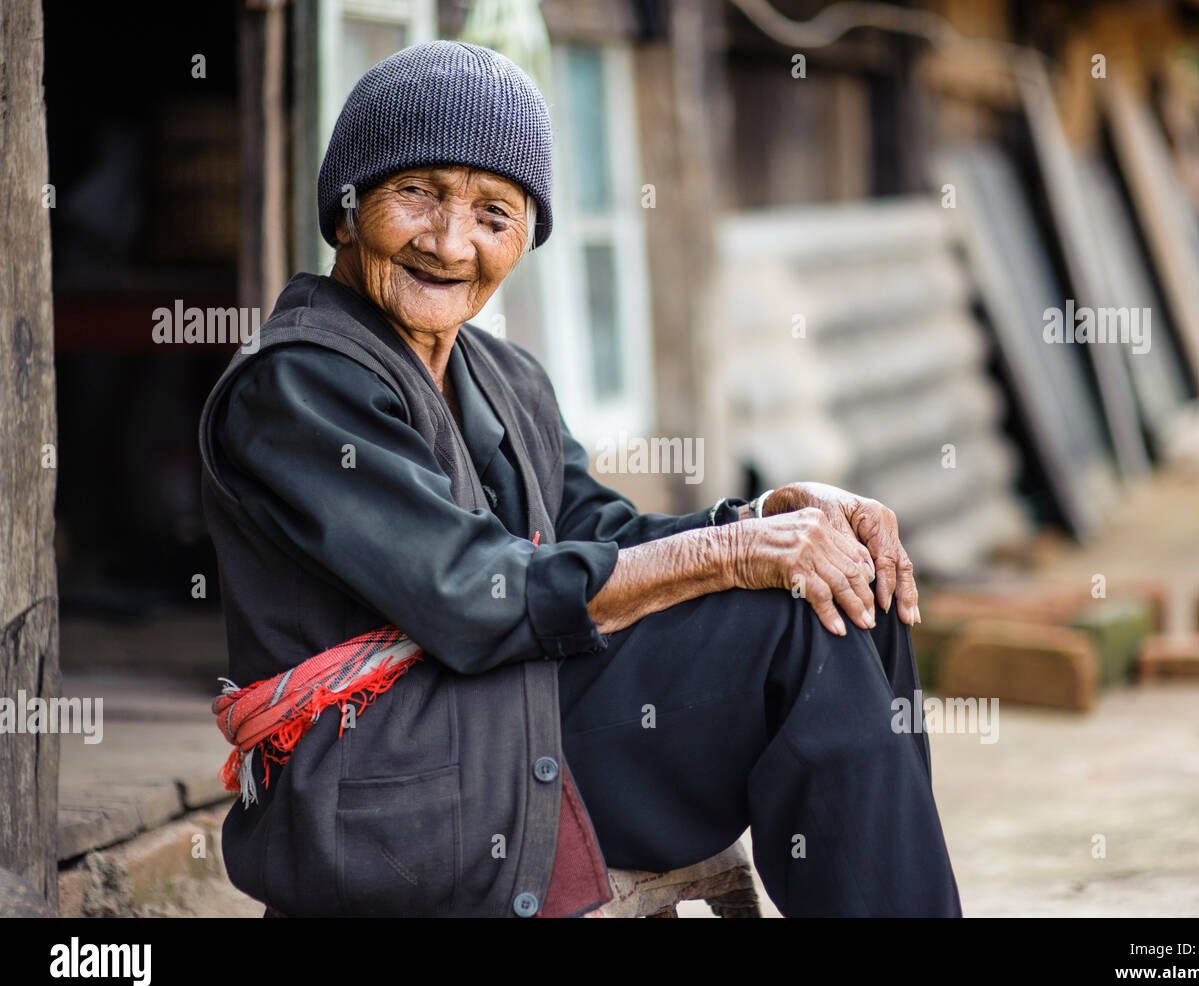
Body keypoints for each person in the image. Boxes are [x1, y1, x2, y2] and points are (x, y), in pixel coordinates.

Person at [198, 40, 961, 918]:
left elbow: (596, 531)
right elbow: (470, 589)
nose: (451, 242)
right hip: (395, 777)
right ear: (345, 208)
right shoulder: (297, 382)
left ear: (526, 239)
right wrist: (736, 553)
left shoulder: (504, 374)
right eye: (418, 194)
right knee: (794, 632)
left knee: (848, 585)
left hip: (507, 718)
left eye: (494, 212)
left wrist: (764, 518)